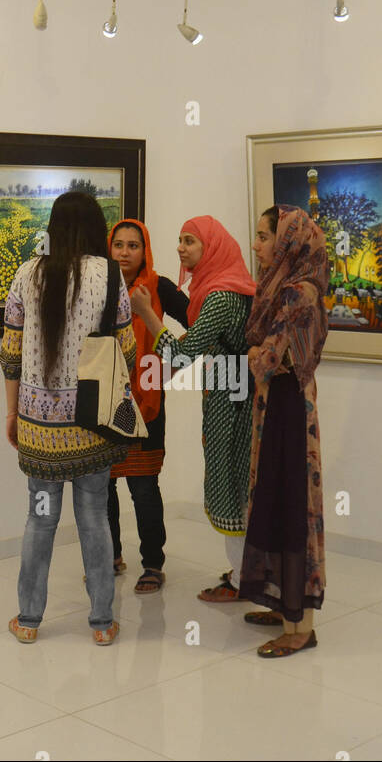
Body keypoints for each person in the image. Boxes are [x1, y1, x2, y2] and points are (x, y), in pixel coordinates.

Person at [0, 191, 135, 646]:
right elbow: (129, 351)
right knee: (94, 516)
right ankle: (101, 623)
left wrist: (12, 412)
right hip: (92, 421)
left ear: (53, 228)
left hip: (38, 426)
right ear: (96, 228)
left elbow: (11, 355)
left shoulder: (25, 274)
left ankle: (29, 620)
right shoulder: (109, 275)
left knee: (40, 518)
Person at [129, 215, 256, 602]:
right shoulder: (228, 288)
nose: (182, 248)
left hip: (232, 404)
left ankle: (242, 581)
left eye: (191, 242)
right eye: (180, 240)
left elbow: (183, 355)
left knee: (231, 486)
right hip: (232, 394)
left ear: (212, 248)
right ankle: (246, 572)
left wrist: (149, 313)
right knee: (236, 482)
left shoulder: (219, 296)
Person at [240, 205, 329, 658]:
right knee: (273, 501)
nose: (256, 245)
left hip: (289, 408)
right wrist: (258, 350)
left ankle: (300, 627)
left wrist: (257, 351)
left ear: (288, 242)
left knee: (291, 507)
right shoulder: (280, 288)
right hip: (277, 404)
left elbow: (265, 359)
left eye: (262, 236)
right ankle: (283, 606)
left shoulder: (298, 293)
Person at [102, 219, 189, 594]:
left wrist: (168, 364)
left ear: (145, 250)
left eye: (133, 245)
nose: (124, 252)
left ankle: (152, 563)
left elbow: (199, 325)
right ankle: (110, 556)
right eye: (118, 244)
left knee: (143, 487)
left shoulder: (159, 287)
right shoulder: (97, 285)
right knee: (102, 486)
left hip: (147, 401)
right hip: (104, 399)